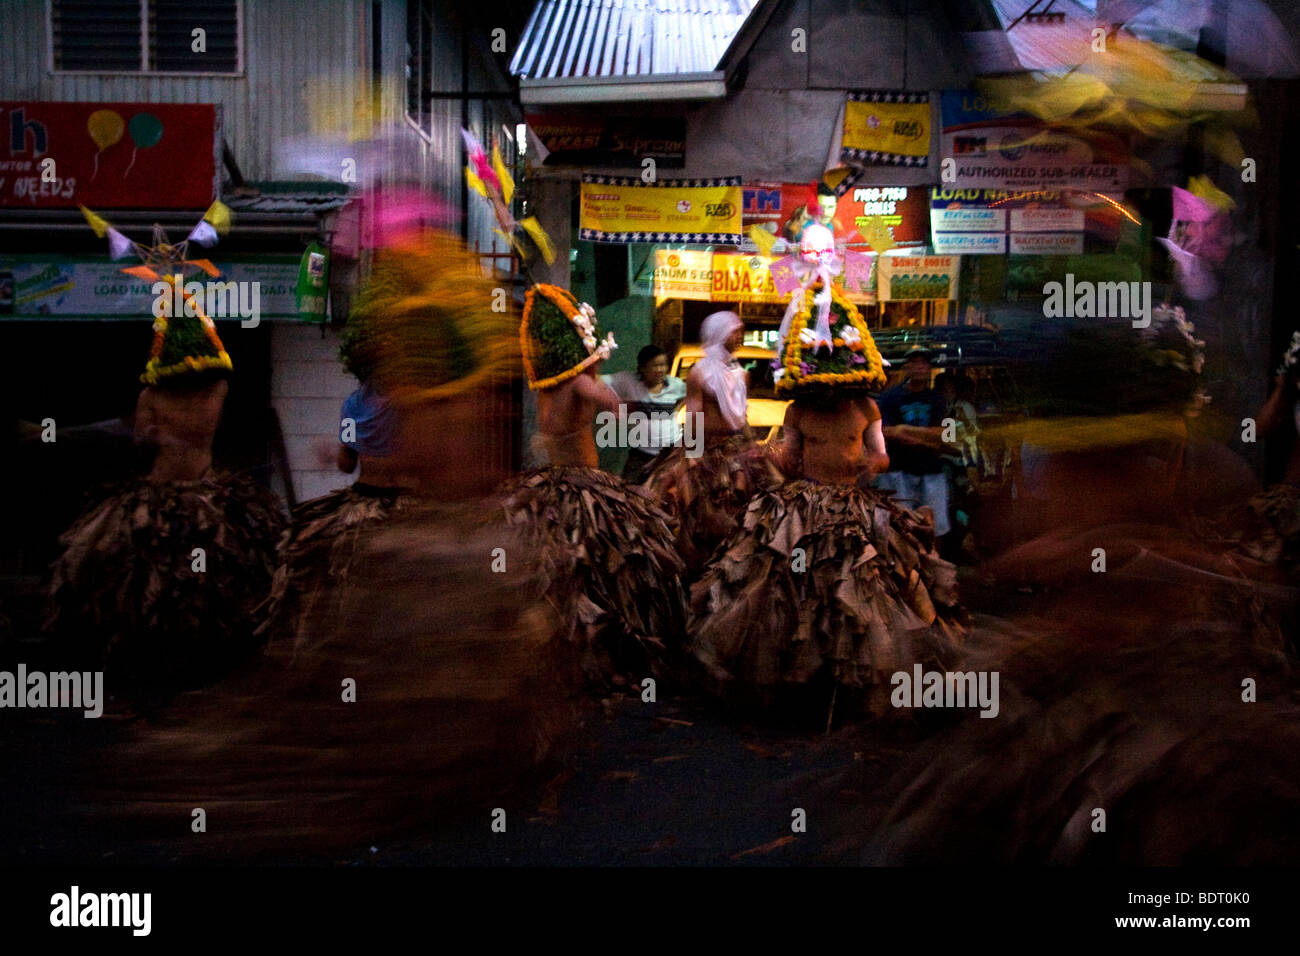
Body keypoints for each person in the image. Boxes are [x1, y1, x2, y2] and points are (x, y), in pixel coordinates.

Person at [688, 283, 965, 725]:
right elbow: (789, 454)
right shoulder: (798, 411)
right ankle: (797, 682)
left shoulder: (867, 408)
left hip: (855, 503)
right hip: (805, 505)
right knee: (784, 586)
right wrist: (767, 454)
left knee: (876, 585)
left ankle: (865, 683)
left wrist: (868, 463)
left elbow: (881, 455)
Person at [44, 288, 286, 711]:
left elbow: (140, 435)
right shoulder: (219, 393)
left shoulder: (148, 401)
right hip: (226, 720)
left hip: (151, 502)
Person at [501, 282, 686, 683]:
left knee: (558, 566)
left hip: (552, 485)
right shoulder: (582, 383)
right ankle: (607, 647)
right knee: (608, 564)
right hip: (585, 489)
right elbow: (614, 407)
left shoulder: (548, 388)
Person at [641, 311, 783, 577]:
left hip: (737, 449)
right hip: (705, 450)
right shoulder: (699, 373)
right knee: (681, 504)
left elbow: (742, 415)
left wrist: (751, 444)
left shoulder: (741, 374)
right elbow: (693, 415)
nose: (739, 337)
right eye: (734, 332)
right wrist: (692, 457)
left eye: (741, 331)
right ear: (718, 333)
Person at [873, 348, 954, 540]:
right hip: (898, 472)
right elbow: (885, 431)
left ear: (929, 368)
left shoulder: (937, 399)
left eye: (924, 363)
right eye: (915, 363)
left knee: (934, 527)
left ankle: (934, 567)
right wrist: (927, 438)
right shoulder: (890, 397)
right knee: (899, 527)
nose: (919, 367)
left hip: (931, 471)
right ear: (907, 367)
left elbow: (946, 436)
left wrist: (903, 430)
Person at [603, 345, 687, 481]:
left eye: (663, 365)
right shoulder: (629, 381)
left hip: (671, 453)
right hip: (642, 454)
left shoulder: (675, 385)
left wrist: (677, 410)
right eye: (654, 365)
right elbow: (601, 381)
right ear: (642, 368)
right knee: (630, 490)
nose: (660, 370)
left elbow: (691, 393)